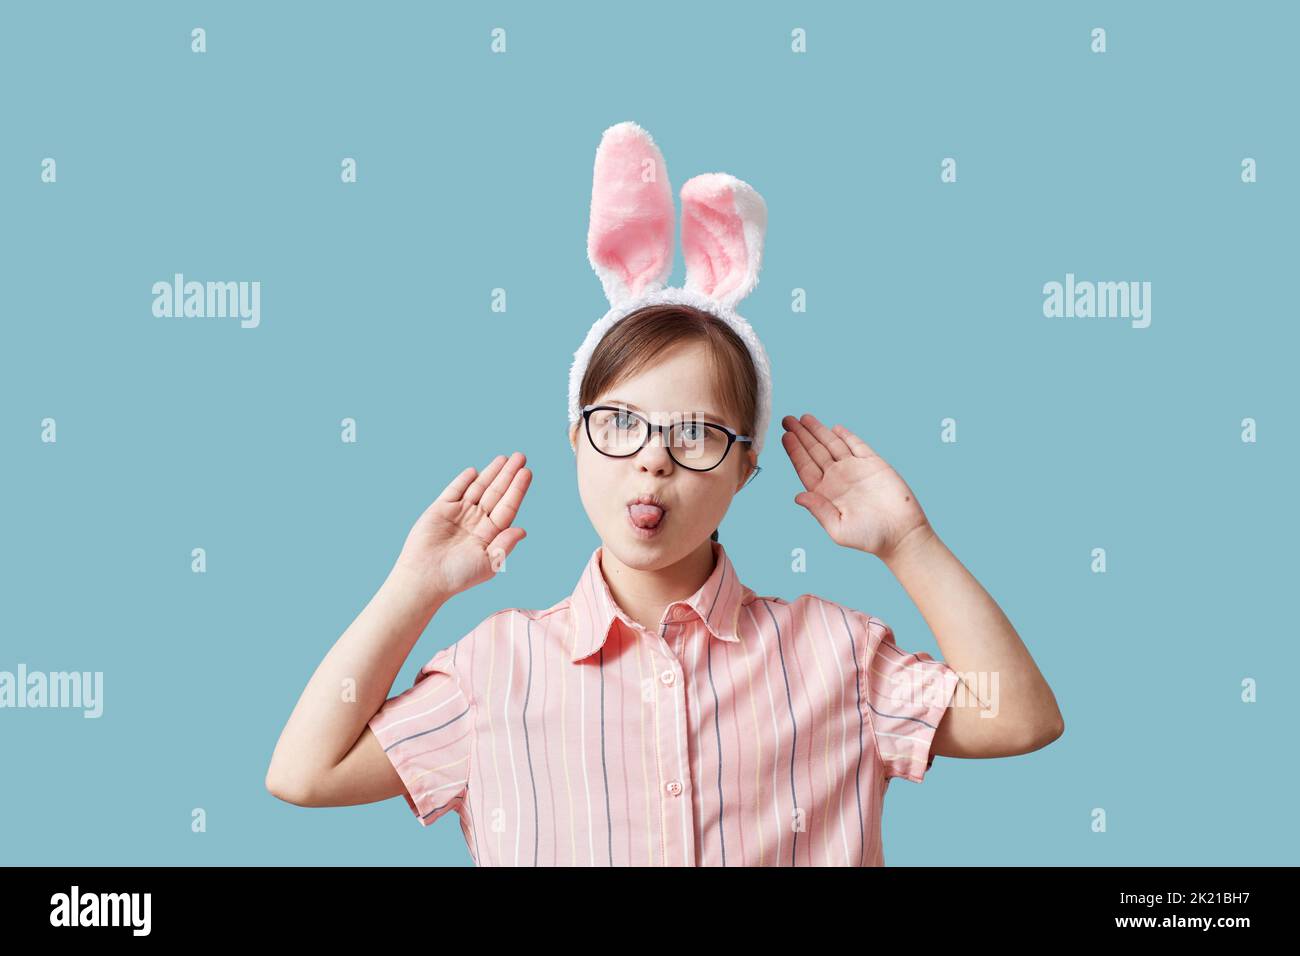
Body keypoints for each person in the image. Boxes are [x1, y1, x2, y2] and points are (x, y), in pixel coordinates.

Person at [265, 122, 1064, 866]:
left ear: (747, 468)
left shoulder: (834, 655)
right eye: (621, 423)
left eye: (696, 434)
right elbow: (306, 774)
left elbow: (1021, 718)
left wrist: (908, 543)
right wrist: (414, 588)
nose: (654, 462)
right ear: (577, 437)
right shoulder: (496, 668)